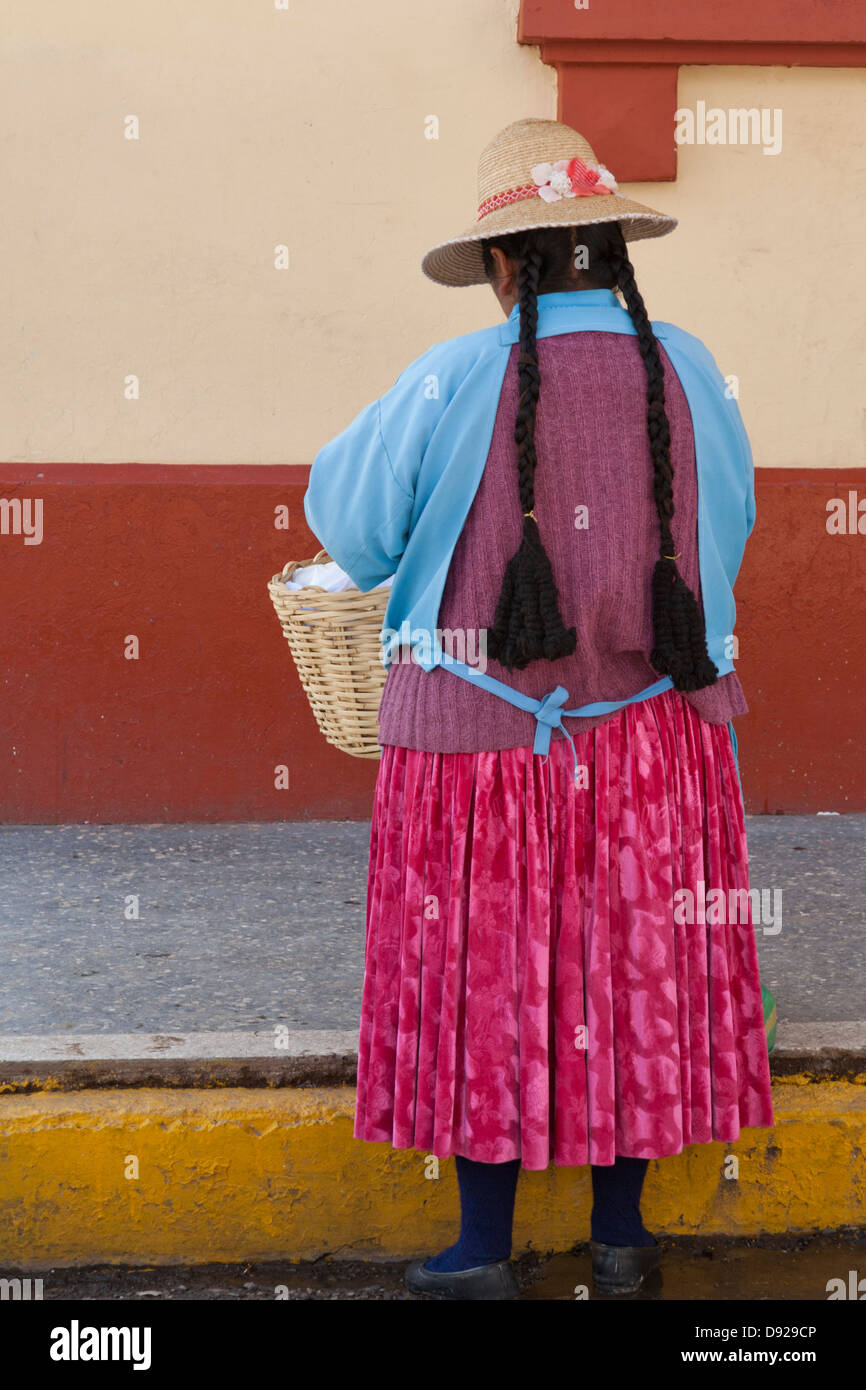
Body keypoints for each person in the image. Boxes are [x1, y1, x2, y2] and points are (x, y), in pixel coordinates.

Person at [304, 117, 774, 1300]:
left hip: (476, 753)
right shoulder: (685, 367)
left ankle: (477, 1252)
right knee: (634, 969)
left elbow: (352, 533)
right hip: (656, 743)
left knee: (482, 978)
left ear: (504, 265)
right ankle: (620, 1239)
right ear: (611, 251)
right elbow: (729, 528)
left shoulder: (453, 374)